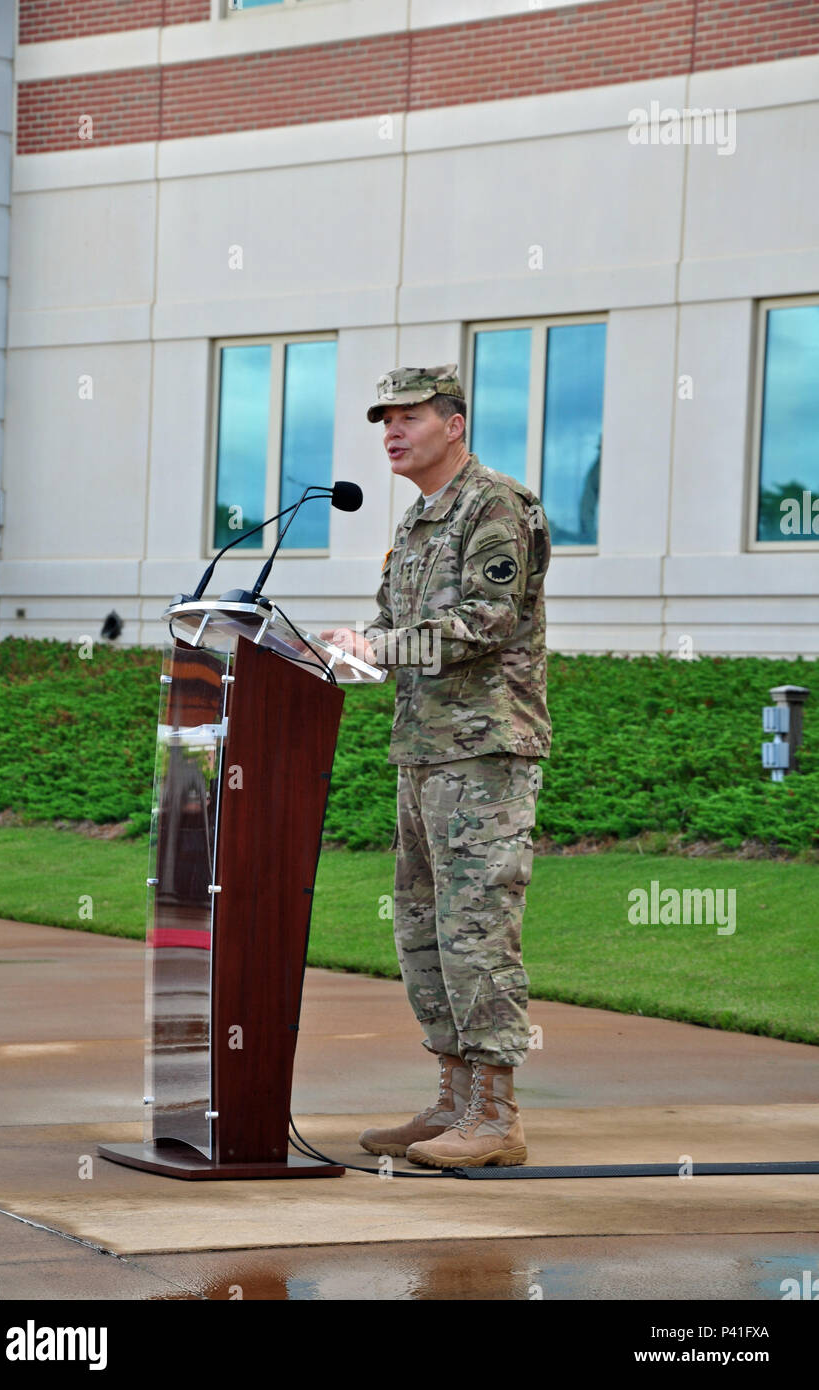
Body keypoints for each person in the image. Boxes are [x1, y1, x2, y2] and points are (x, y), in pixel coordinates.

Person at [321, 364, 551, 1168]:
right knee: (423, 930)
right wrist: (336, 650)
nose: (390, 429)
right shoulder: (417, 525)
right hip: (421, 751)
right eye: (382, 417)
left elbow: (485, 621)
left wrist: (378, 645)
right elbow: (391, 628)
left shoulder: (495, 506)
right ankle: (454, 1097)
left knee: (476, 927)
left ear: (452, 423)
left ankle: (495, 1117)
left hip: (484, 752)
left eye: (408, 415)